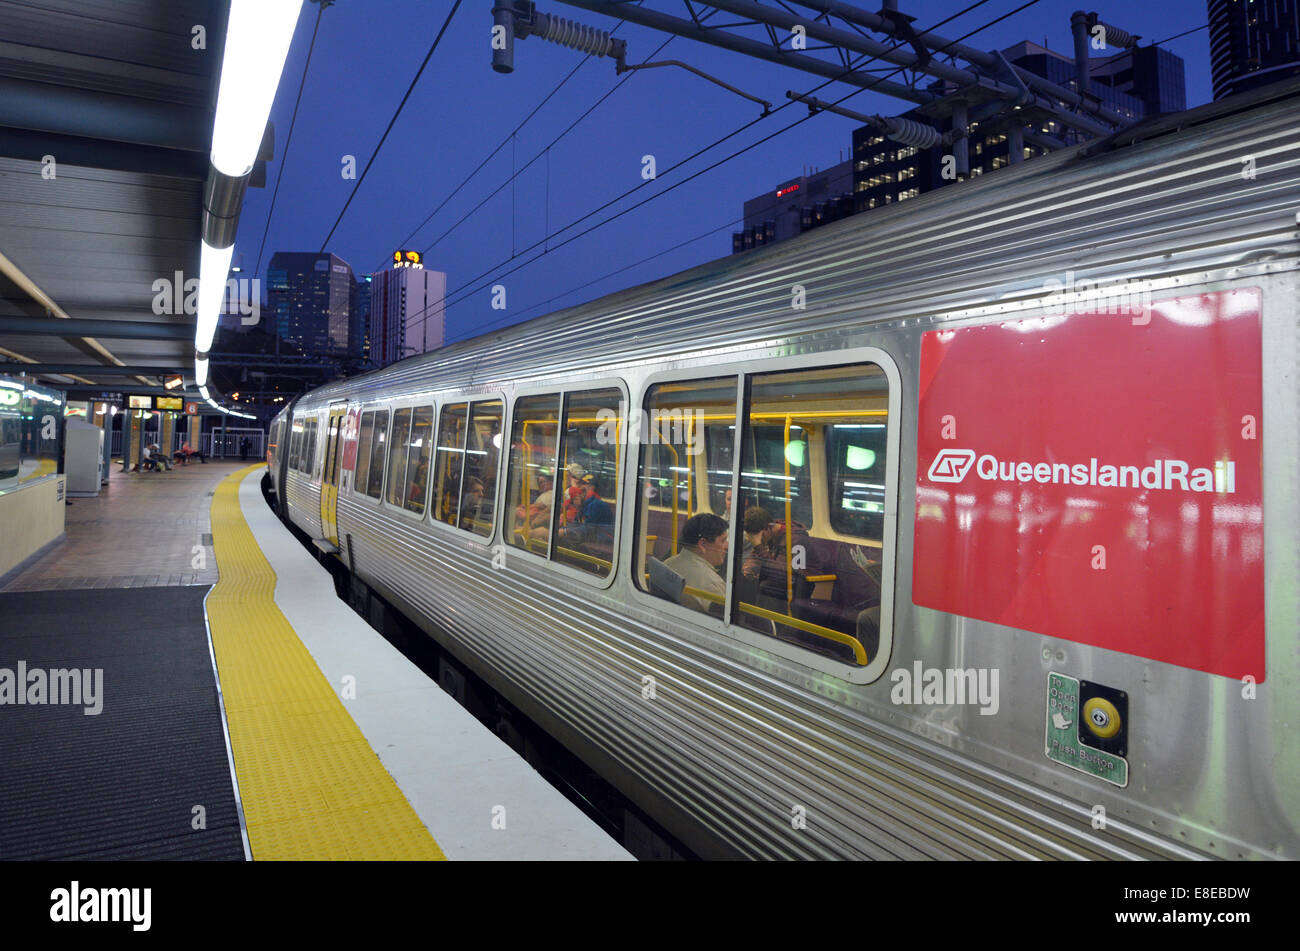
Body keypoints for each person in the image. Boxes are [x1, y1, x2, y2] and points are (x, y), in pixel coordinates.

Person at [662, 513, 728, 615]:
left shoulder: (667, 564)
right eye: (723, 541)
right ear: (703, 544)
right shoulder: (712, 583)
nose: (726, 546)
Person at [514, 468, 555, 543]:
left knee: (515, 511)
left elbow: (539, 506)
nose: (542, 484)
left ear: (551, 482)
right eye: (540, 483)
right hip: (533, 516)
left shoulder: (551, 493)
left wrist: (526, 507)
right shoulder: (544, 494)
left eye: (544, 482)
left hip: (537, 516)